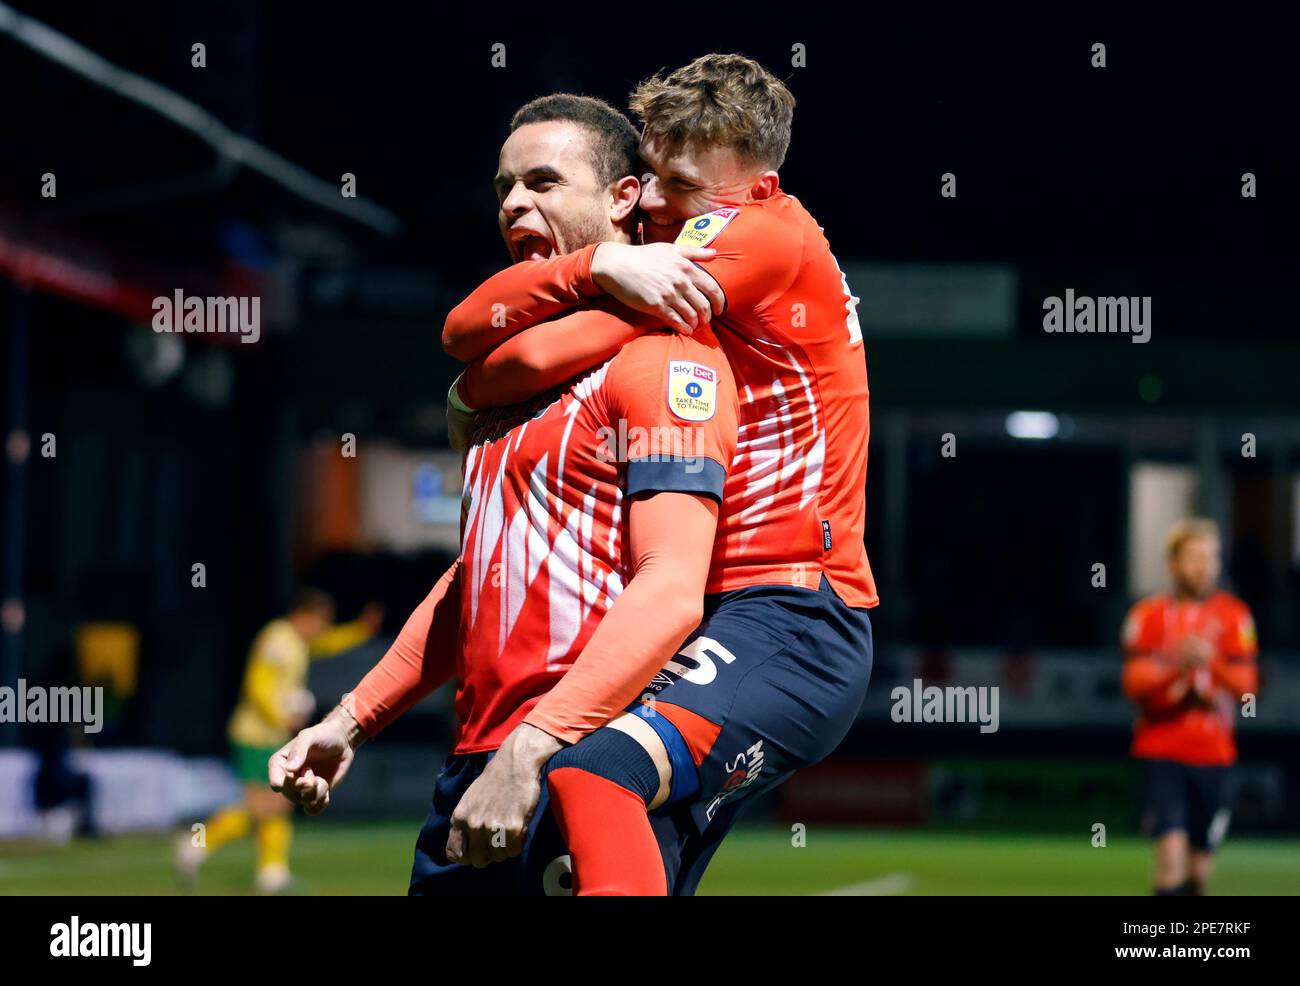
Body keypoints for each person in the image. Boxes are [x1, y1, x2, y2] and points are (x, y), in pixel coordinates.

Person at [272, 94, 741, 895]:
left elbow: (671, 589)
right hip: (478, 766)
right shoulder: (505, 395)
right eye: (504, 188)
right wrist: (350, 720)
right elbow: (476, 579)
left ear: (624, 199)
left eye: (544, 182)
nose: (515, 203)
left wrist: (536, 746)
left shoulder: (663, 364)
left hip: (576, 765)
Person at [437, 54, 877, 894]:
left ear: (757, 181)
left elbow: (504, 345)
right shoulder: (707, 232)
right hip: (737, 614)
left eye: (682, 184)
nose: (659, 205)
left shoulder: (760, 237)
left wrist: (469, 391)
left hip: (793, 611)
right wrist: (595, 266)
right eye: (652, 175)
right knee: (602, 850)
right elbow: (474, 325)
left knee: (594, 773)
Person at [175, 589, 379, 893]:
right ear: (302, 615)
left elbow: (328, 642)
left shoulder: (298, 641)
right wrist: (278, 717)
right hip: (255, 734)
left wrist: (359, 631)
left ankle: (270, 870)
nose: (321, 629)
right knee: (261, 807)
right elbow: (257, 684)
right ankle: (198, 845)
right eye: (319, 622)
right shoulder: (276, 639)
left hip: (274, 734)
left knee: (277, 805)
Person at [1122, 518, 1259, 895]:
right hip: (1161, 751)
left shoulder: (1235, 616)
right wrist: (1176, 668)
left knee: (1199, 871)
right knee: (1171, 856)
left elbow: (1247, 687)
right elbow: (1134, 683)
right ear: (1173, 564)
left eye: (1211, 558)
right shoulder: (1147, 614)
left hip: (1215, 755)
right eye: (1194, 557)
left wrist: (1209, 662)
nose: (1203, 566)